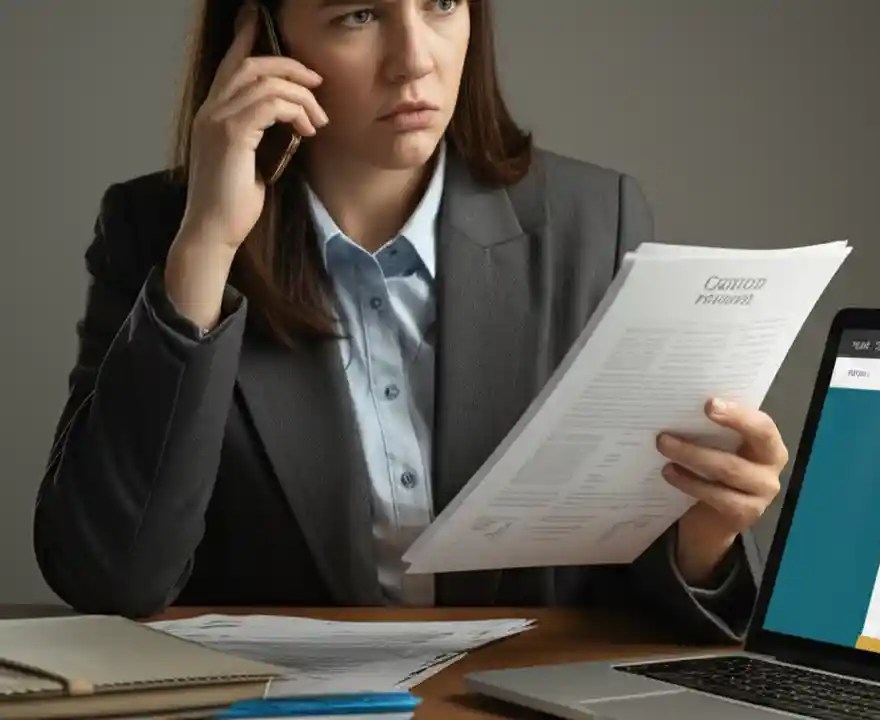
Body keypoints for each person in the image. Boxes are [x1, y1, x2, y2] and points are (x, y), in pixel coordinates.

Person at [32, 0, 787, 642]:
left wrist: (704, 536)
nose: (414, 61)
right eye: (359, 14)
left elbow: (624, 586)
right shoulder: (158, 230)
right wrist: (207, 244)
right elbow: (113, 578)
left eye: (441, 4)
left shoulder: (594, 221)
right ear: (262, 41)